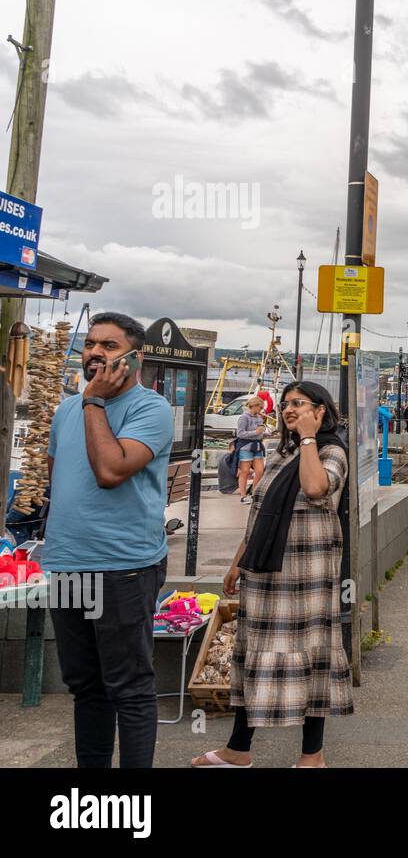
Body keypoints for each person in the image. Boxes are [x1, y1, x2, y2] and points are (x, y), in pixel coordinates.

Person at [193, 381, 353, 768]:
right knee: (255, 658)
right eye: (285, 405)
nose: (289, 410)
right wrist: (237, 561)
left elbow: (316, 488)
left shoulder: (331, 451)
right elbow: (260, 513)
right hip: (266, 575)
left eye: (299, 403)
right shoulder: (282, 453)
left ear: (320, 410)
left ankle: (312, 755)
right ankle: (238, 749)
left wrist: (310, 439)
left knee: (314, 658)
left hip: (307, 576)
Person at [46, 313, 174, 769]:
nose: (95, 352)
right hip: (66, 564)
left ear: (134, 358)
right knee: (85, 685)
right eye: (90, 344)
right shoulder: (66, 409)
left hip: (123, 568)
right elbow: (57, 476)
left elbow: (109, 472)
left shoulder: (151, 410)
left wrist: (94, 403)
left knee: (129, 686)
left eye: (109, 346)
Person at [234, 396, 268, 504]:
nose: (261, 410)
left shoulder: (259, 417)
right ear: (254, 406)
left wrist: (264, 431)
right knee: (245, 471)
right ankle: (243, 496)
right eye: (260, 407)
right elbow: (240, 433)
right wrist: (256, 432)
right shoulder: (244, 417)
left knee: (260, 471)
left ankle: (254, 494)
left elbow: (260, 431)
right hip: (246, 446)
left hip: (257, 446)